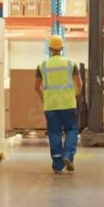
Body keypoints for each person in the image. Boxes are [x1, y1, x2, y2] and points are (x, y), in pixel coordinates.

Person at [34, 35, 83, 173]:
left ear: (49, 48)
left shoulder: (42, 65)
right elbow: (79, 84)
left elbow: (36, 87)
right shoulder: (71, 64)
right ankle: (68, 155)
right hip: (68, 105)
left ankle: (57, 163)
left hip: (51, 106)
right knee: (72, 130)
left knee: (54, 132)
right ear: (62, 48)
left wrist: (45, 97)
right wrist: (73, 95)